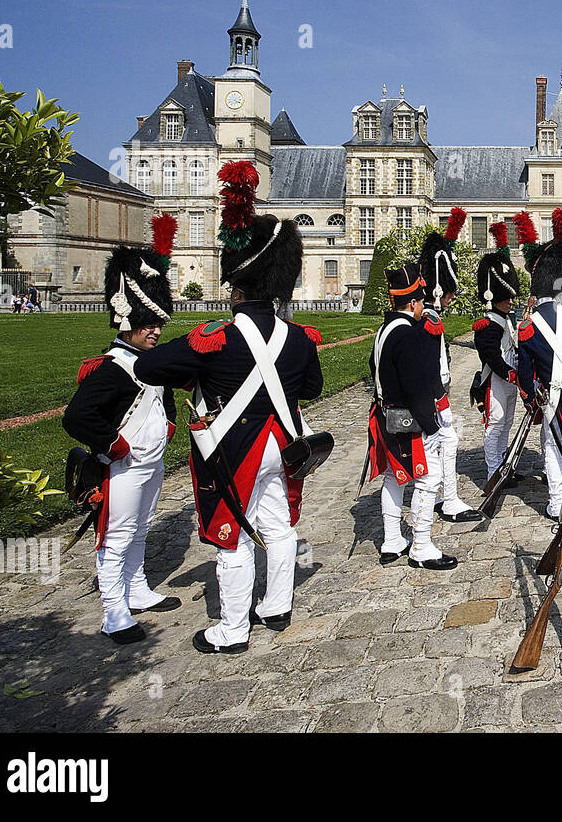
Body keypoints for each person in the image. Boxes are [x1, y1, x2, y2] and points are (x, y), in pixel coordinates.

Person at [135, 161, 323, 653]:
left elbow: (149, 368)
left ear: (236, 286)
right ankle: (277, 606)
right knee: (280, 526)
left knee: (234, 538)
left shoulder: (214, 340)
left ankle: (232, 629)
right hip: (281, 444)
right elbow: (314, 387)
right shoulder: (299, 339)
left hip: (233, 449)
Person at [63, 224, 181, 645]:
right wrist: (114, 446)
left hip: (150, 461)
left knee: (141, 527)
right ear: (126, 320)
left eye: (157, 324)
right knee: (115, 536)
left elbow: (161, 398)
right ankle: (113, 610)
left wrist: (167, 426)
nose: (154, 331)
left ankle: (138, 588)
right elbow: (77, 417)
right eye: (146, 324)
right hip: (123, 464)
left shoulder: (151, 360)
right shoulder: (111, 367)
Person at [366, 262, 457, 569]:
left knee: (394, 476)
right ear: (415, 301)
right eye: (421, 302)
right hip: (410, 419)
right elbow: (417, 387)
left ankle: (392, 540)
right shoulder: (409, 335)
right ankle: (421, 545)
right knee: (428, 479)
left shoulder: (384, 330)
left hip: (385, 414)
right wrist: (432, 426)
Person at [514, 208, 562, 519]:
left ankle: (558, 498)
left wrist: (529, 398)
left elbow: (523, 375)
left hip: (553, 393)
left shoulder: (528, 327)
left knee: (552, 444)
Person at [419, 208, 482, 524]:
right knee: (444, 443)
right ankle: (448, 499)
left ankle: (448, 497)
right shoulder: (429, 319)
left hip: (431, 394)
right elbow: (436, 367)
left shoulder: (427, 314)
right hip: (431, 396)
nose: (453, 297)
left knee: (447, 442)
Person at [473, 221, 523, 483]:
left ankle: (503, 463)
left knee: (507, 423)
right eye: (507, 297)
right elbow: (490, 356)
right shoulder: (487, 323)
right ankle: (493, 469)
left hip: (509, 378)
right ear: (494, 296)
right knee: (495, 424)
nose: (511, 300)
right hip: (496, 379)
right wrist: (508, 373)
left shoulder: (504, 318)